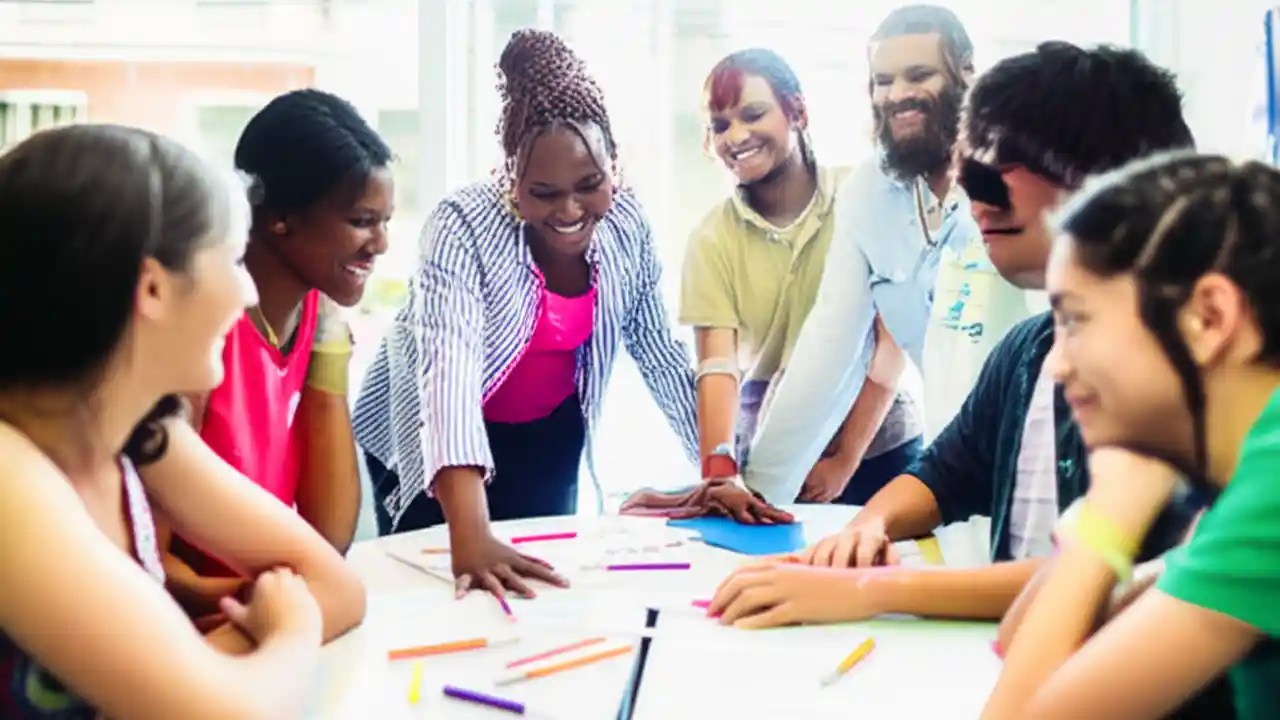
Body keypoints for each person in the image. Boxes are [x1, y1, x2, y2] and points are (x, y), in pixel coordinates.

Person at [709, 43, 1198, 627]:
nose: (971, 191)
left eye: (999, 165)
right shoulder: (1026, 352)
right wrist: (867, 526)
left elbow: (1113, 578)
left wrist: (877, 589)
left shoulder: (1177, 375)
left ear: (1102, 179)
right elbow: (945, 474)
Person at [353, 29, 765, 597]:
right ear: (513, 182)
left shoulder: (627, 223)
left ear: (613, 168)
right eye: (543, 192)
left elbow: (661, 353)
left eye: (589, 185)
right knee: (450, 592)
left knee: (543, 589)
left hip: (546, 430)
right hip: (433, 439)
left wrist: (720, 471)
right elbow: (446, 377)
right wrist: (468, 533)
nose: (570, 209)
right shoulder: (461, 225)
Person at [0, 124, 364, 719]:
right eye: (230, 259)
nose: (247, 291)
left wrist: (196, 680)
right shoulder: (9, 473)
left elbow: (338, 587)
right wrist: (288, 632)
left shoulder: (144, 435)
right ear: (152, 286)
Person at [981, 154, 1280, 720]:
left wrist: (1106, 522)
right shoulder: (1243, 474)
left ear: (1208, 318)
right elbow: (1020, 643)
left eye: (1075, 320)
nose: (1056, 366)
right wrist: (1109, 510)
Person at [160, 88, 394, 619]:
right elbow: (152, 564)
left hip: (265, 608)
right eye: (361, 221)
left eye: (385, 221)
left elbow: (329, 534)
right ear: (279, 217)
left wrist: (329, 349)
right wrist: (262, 600)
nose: (380, 243)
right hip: (191, 627)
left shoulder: (315, 314)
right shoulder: (202, 331)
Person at [740, 4, 978, 505]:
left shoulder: (1009, 182)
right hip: (957, 459)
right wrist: (761, 492)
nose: (897, 95)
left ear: (965, 74)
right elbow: (830, 343)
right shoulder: (866, 193)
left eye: (919, 75)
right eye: (882, 80)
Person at [680, 47, 914, 508]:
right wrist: (720, 471)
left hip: (878, 446)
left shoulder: (861, 198)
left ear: (798, 112)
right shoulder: (710, 239)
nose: (736, 136)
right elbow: (717, 369)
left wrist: (846, 457)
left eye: (752, 113)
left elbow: (891, 343)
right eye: (721, 124)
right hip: (775, 456)